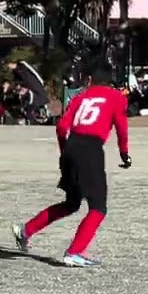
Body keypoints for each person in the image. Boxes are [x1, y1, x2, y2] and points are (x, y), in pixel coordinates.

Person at [11, 61, 130, 267]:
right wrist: (124, 153)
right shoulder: (116, 97)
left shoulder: (80, 97)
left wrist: (65, 150)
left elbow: (61, 127)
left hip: (71, 147)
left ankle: (25, 230)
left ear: (90, 80)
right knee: (98, 207)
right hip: (90, 149)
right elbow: (121, 126)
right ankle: (74, 252)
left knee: (72, 203)